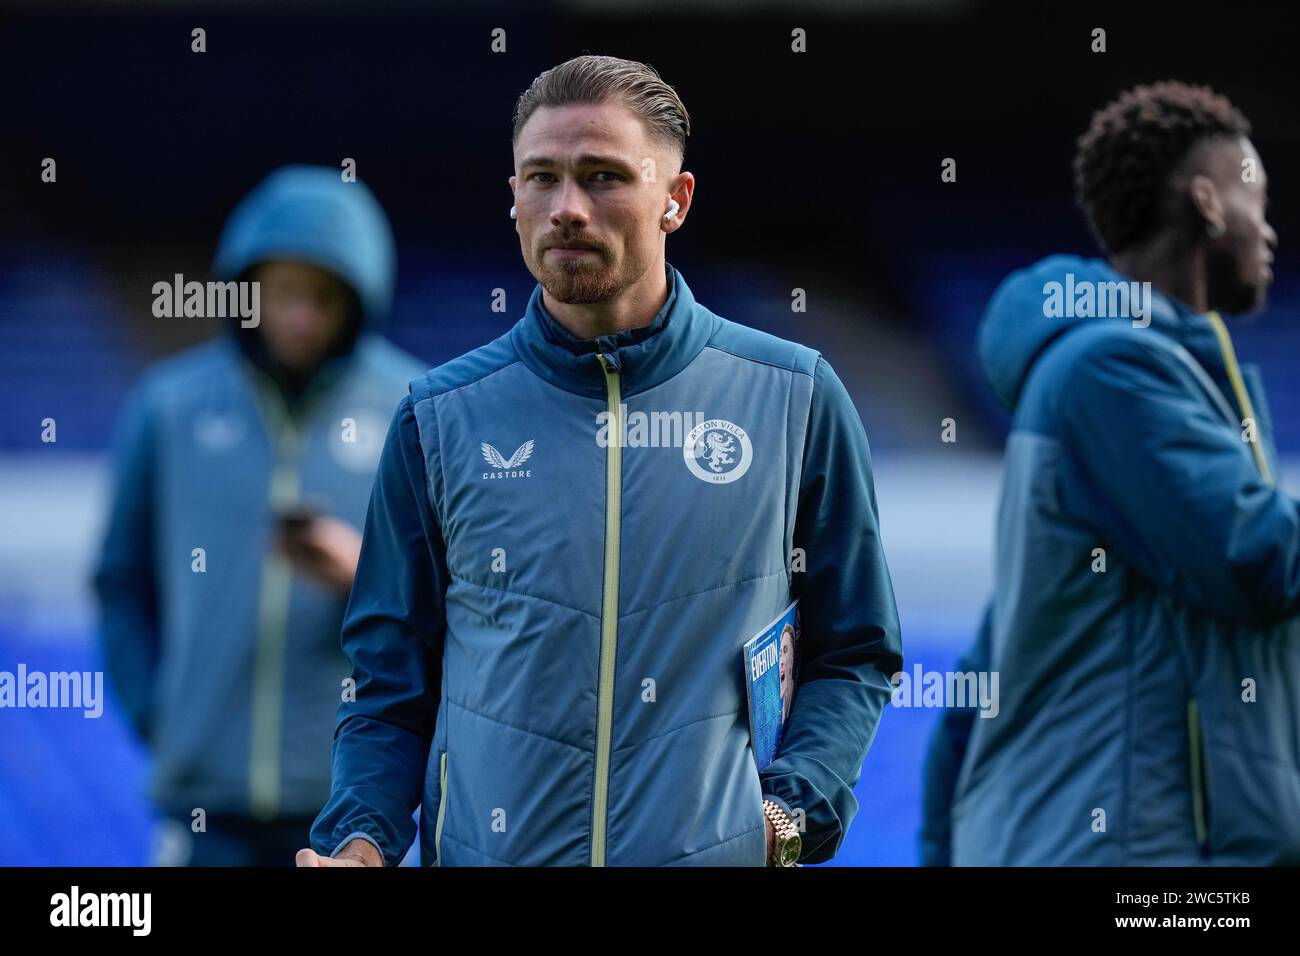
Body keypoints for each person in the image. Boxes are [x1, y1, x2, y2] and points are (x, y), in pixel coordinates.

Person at [298, 54, 902, 868]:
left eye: (604, 177)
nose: (567, 208)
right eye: (540, 178)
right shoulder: (438, 419)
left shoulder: (794, 397)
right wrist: (361, 839)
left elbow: (855, 649)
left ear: (674, 200)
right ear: (513, 195)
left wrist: (786, 821)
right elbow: (388, 689)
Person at [946, 81, 1299, 865]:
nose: (1269, 232)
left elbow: (984, 667)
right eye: (1259, 201)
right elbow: (1255, 560)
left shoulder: (1163, 375)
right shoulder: (1114, 369)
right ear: (1208, 202)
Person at [94, 165, 425, 866]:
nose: (302, 316)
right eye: (284, 292)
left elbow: (456, 602)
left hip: (350, 805)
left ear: (358, 300)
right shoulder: (169, 407)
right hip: (205, 802)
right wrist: (167, 719)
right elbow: (120, 583)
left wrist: (360, 576)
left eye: (324, 296)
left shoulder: (415, 408)